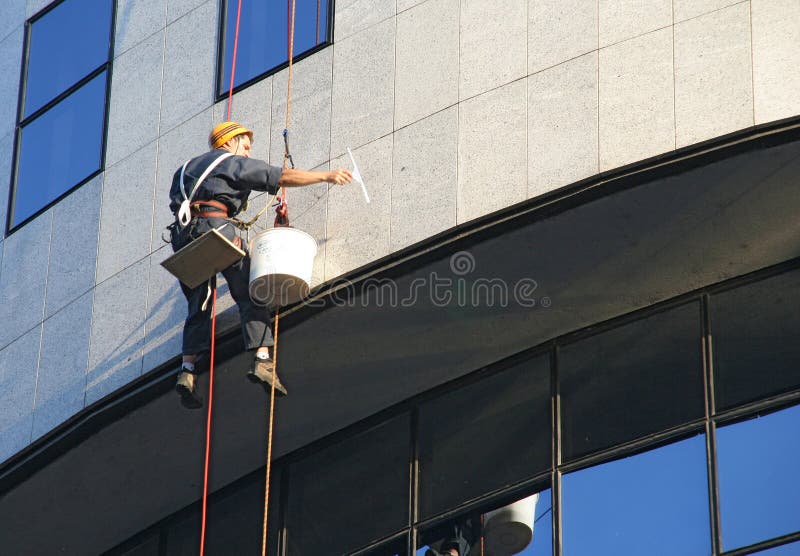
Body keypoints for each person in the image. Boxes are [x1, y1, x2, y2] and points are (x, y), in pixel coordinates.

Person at [169, 121, 352, 409]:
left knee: (200, 302)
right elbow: (279, 176)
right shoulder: (229, 163)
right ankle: (263, 360)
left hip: (182, 237)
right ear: (230, 140)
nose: (247, 150)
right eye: (245, 144)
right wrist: (326, 176)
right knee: (250, 291)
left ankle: (188, 370)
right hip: (216, 229)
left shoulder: (184, 169)